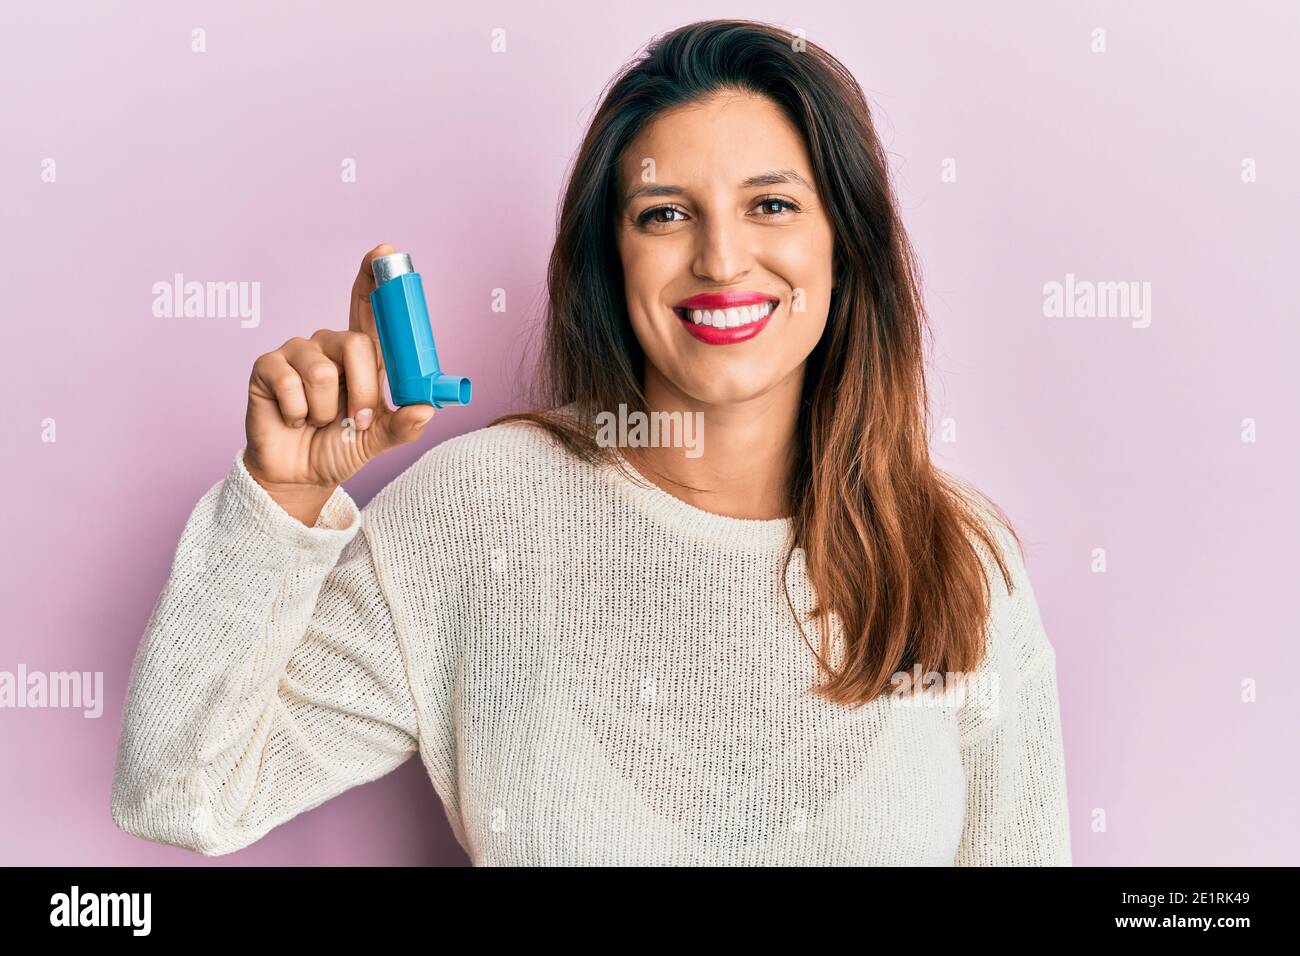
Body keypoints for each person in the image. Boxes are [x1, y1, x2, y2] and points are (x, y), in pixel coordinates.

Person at [110, 18, 1072, 865]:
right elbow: (183, 793)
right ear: (614, 261)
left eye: (771, 204)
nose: (722, 259)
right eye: (665, 214)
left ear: (843, 245)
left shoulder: (960, 558)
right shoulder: (481, 511)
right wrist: (279, 501)